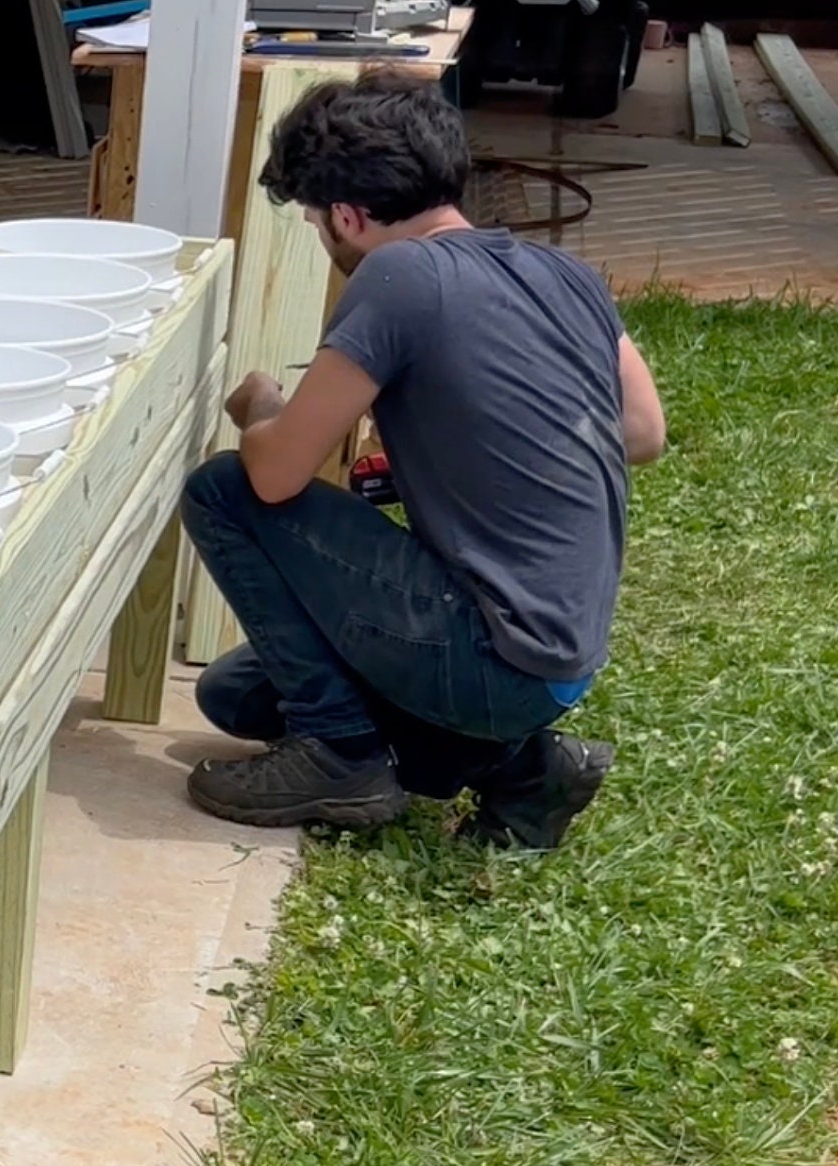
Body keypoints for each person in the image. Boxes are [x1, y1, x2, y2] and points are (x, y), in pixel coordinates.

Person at [177, 71, 666, 849]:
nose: (328, 243)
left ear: (347, 215)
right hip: (560, 656)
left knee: (222, 489)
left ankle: (339, 755)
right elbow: (642, 431)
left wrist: (262, 408)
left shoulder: (399, 275)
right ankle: (526, 768)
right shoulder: (565, 273)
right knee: (238, 694)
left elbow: (273, 475)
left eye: (318, 224)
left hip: (497, 653)